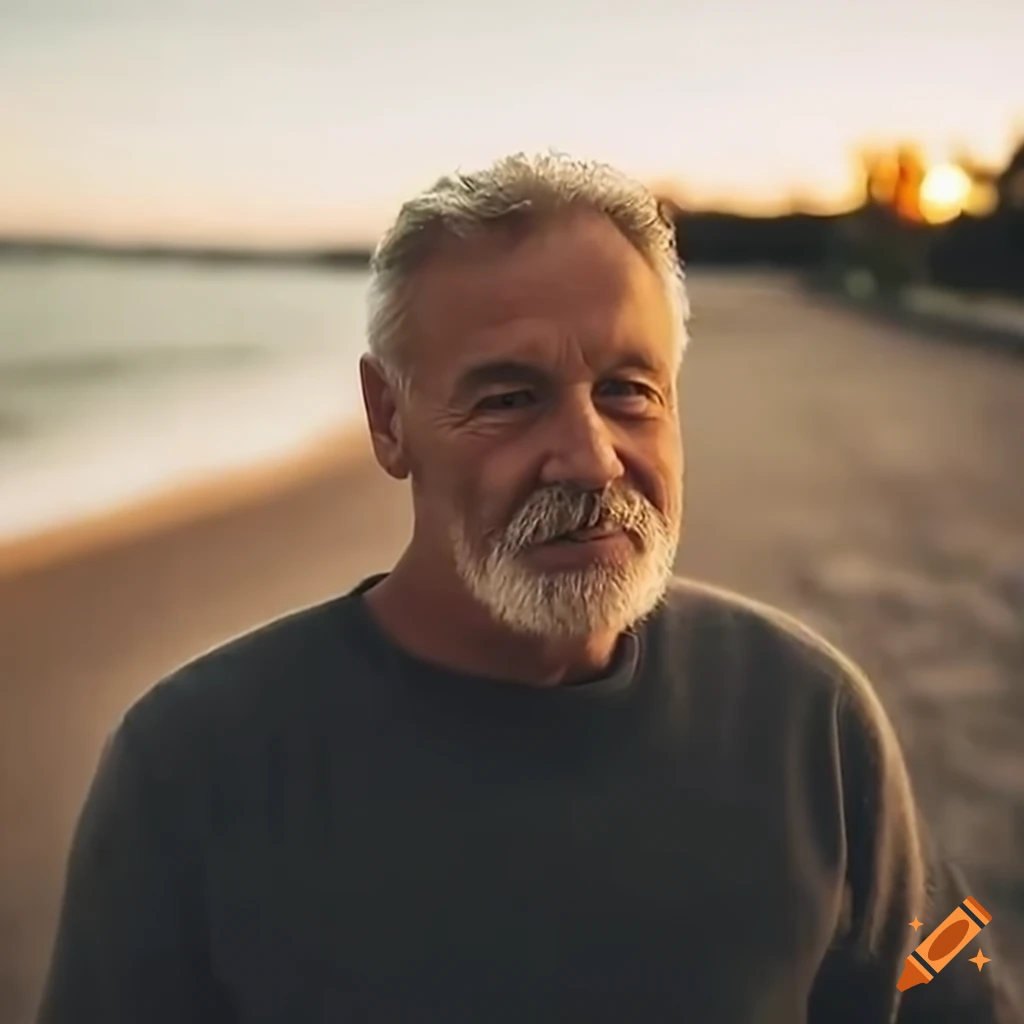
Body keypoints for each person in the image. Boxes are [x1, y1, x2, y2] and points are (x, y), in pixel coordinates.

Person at [38, 152, 1018, 1024]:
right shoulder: (194, 765)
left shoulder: (809, 717)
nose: (589, 459)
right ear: (389, 419)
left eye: (627, 390)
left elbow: (944, 983)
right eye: (509, 397)